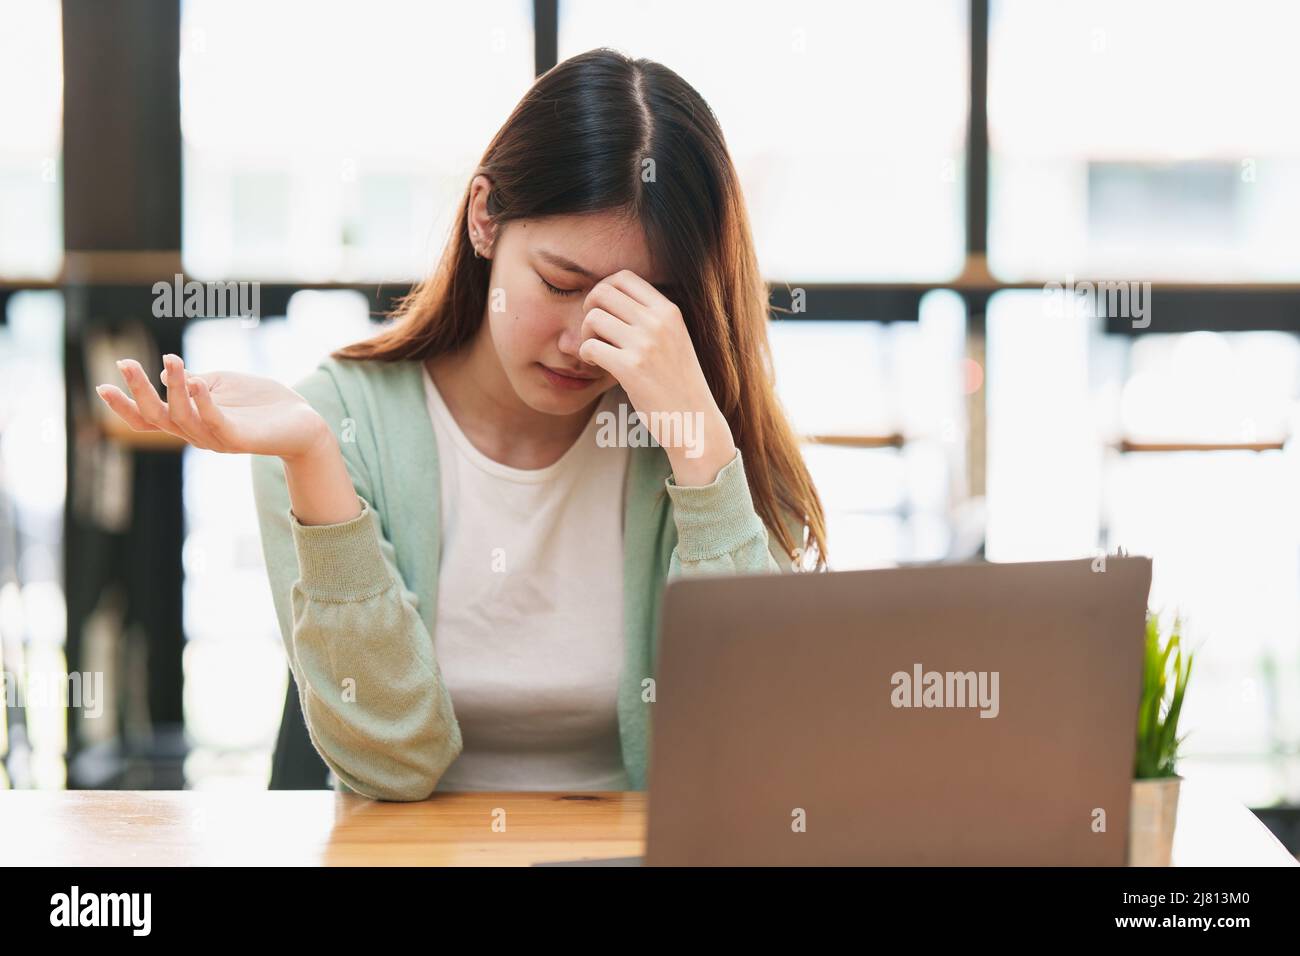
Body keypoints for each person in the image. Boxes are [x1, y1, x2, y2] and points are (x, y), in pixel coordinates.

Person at [96, 48, 827, 801]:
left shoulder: (696, 424)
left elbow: (750, 757)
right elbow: (393, 763)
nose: (584, 344)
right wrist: (316, 466)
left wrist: (701, 446)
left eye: (637, 308)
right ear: (485, 218)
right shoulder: (337, 422)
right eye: (559, 283)